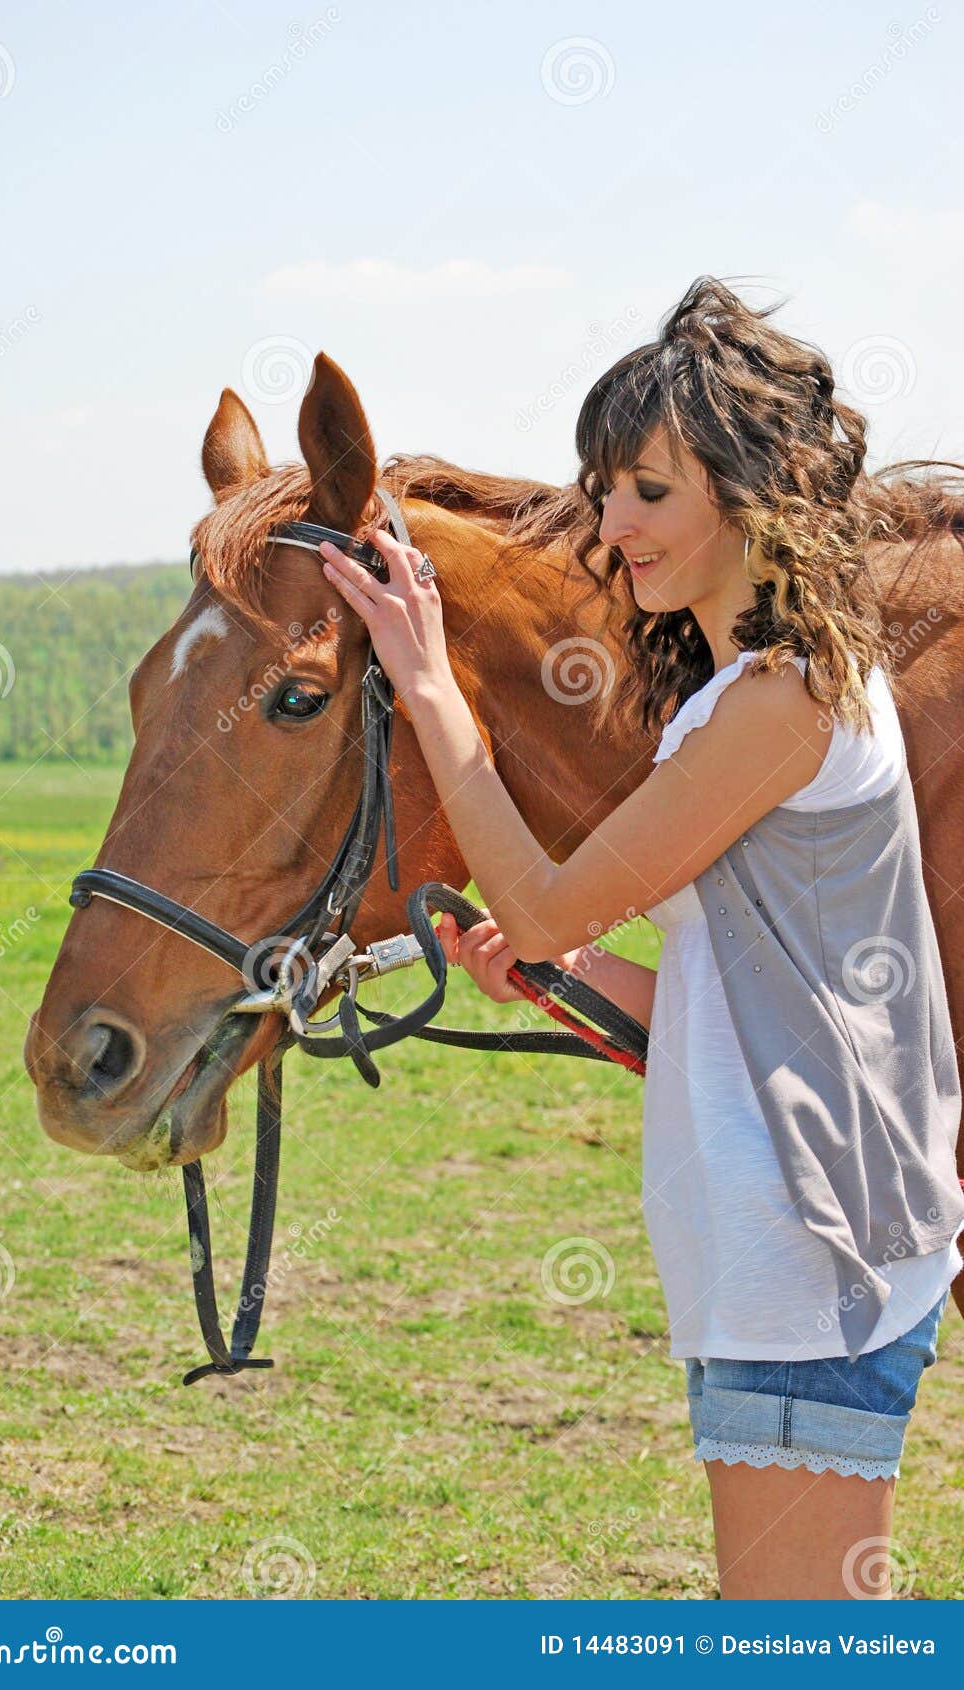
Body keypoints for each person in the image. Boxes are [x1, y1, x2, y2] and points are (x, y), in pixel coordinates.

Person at [316, 275, 964, 1600]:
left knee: (796, 1650)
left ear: (751, 490)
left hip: (814, 1256)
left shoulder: (785, 703)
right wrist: (562, 972)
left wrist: (431, 682)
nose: (613, 524)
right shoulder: (743, 698)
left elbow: (551, 893)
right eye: (605, 488)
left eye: (650, 491)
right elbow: (753, 1002)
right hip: (777, 1252)